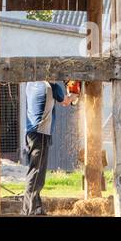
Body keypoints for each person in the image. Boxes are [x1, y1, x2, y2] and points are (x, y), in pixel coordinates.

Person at [22, 78, 77, 215]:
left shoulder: (30, 83)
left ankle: (37, 208)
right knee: (36, 174)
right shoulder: (51, 86)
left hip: (31, 133)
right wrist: (75, 92)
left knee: (36, 172)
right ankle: (29, 210)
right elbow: (66, 101)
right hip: (41, 134)